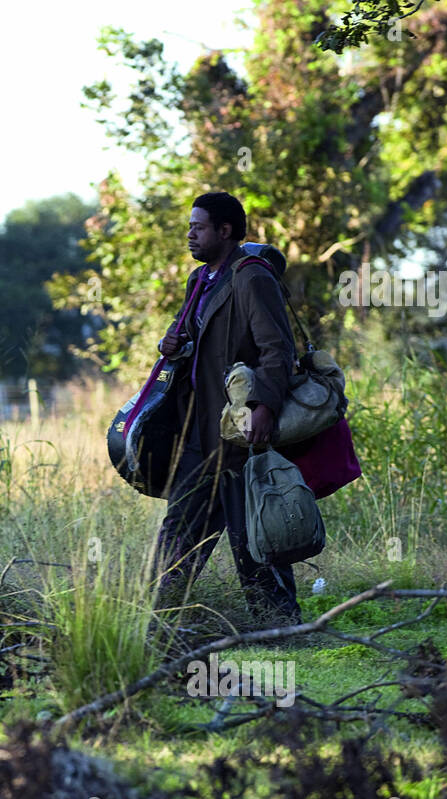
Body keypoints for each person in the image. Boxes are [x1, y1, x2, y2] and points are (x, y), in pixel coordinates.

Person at [147, 192, 302, 624]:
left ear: (225, 230)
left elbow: (277, 349)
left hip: (240, 431)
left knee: (252, 534)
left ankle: (281, 627)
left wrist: (263, 408)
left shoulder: (252, 277)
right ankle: (159, 620)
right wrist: (169, 344)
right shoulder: (199, 280)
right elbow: (192, 340)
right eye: (190, 227)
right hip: (198, 428)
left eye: (198, 227)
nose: (190, 235)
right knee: (180, 526)